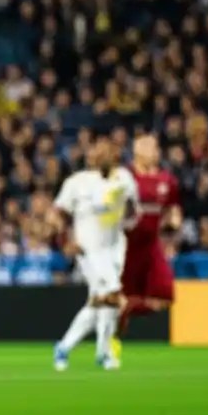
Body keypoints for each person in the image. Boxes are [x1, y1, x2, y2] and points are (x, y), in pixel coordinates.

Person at [51, 135, 140, 371]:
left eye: (105, 149)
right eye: (95, 150)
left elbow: (133, 211)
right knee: (110, 294)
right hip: (89, 248)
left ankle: (66, 347)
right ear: (89, 156)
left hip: (115, 245)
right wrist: (65, 240)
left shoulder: (125, 178)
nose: (99, 154)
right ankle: (102, 352)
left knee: (100, 301)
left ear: (115, 154)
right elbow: (57, 213)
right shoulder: (76, 182)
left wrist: (128, 213)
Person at [113, 134, 180, 356]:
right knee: (113, 300)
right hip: (126, 246)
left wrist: (173, 227)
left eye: (157, 147)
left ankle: (127, 307)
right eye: (152, 147)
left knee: (166, 297)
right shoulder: (124, 177)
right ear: (138, 150)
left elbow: (173, 209)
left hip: (152, 245)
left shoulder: (167, 180)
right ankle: (111, 339)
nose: (157, 151)